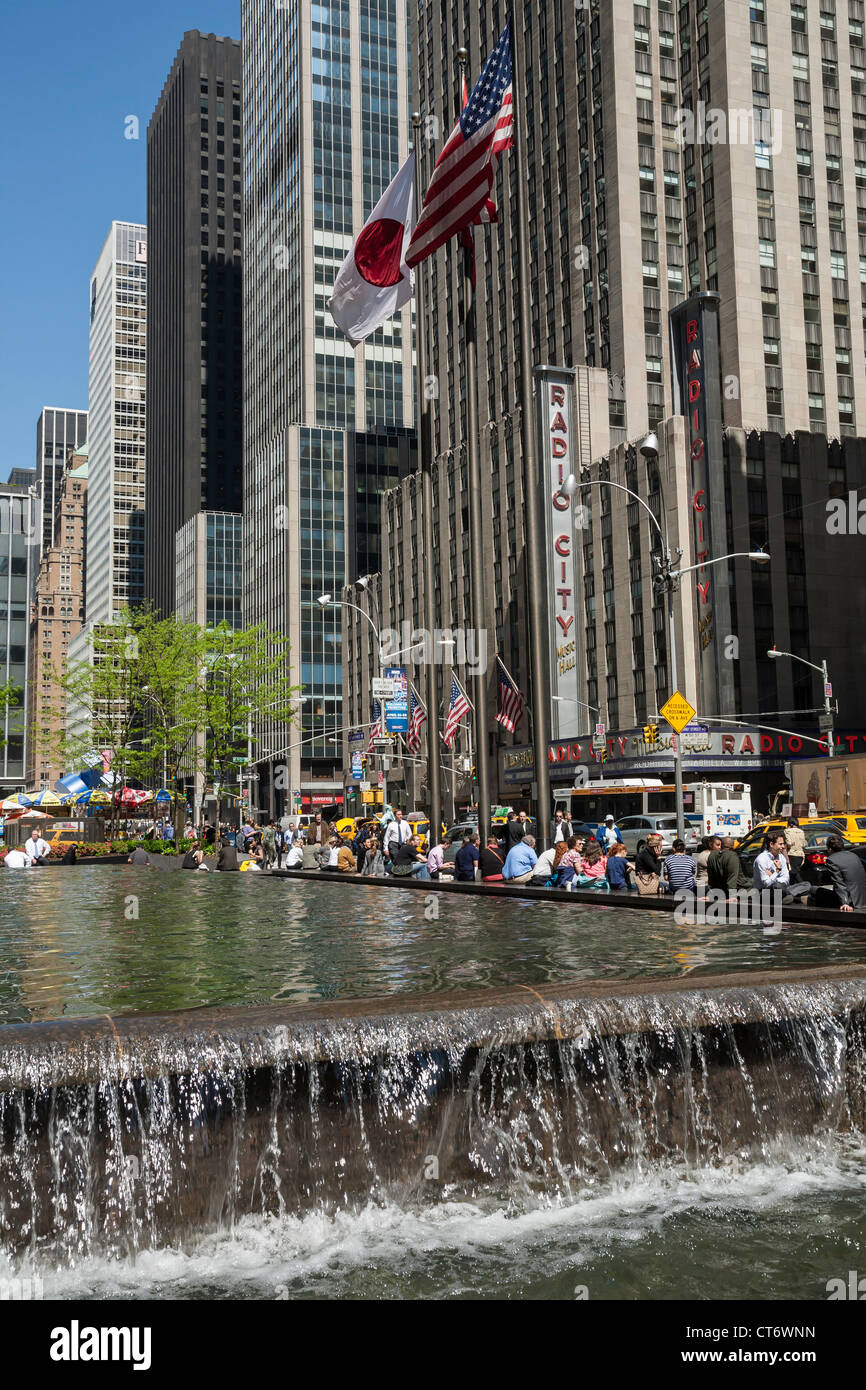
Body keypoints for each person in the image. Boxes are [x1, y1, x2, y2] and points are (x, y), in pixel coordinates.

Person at [824, 834, 866, 911]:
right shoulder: (853, 855)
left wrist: (845, 903)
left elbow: (838, 882)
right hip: (863, 899)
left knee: (814, 890)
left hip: (851, 901)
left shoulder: (831, 860)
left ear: (829, 849)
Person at [753, 831, 791, 896]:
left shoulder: (781, 857)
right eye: (780, 844)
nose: (783, 846)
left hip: (780, 887)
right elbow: (767, 884)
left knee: (806, 885)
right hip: (764, 891)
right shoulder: (762, 859)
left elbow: (787, 879)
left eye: (783, 844)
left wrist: (772, 876)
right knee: (777, 886)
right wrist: (777, 871)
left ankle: (787, 893)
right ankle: (789, 894)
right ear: (771, 844)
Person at [784, 816, 806, 884]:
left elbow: (789, 843)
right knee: (794, 874)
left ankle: (804, 886)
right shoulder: (801, 831)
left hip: (792, 854)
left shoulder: (787, 831)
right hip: (801, 855)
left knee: (794, 873)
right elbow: (804, 844)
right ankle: (793, 889)